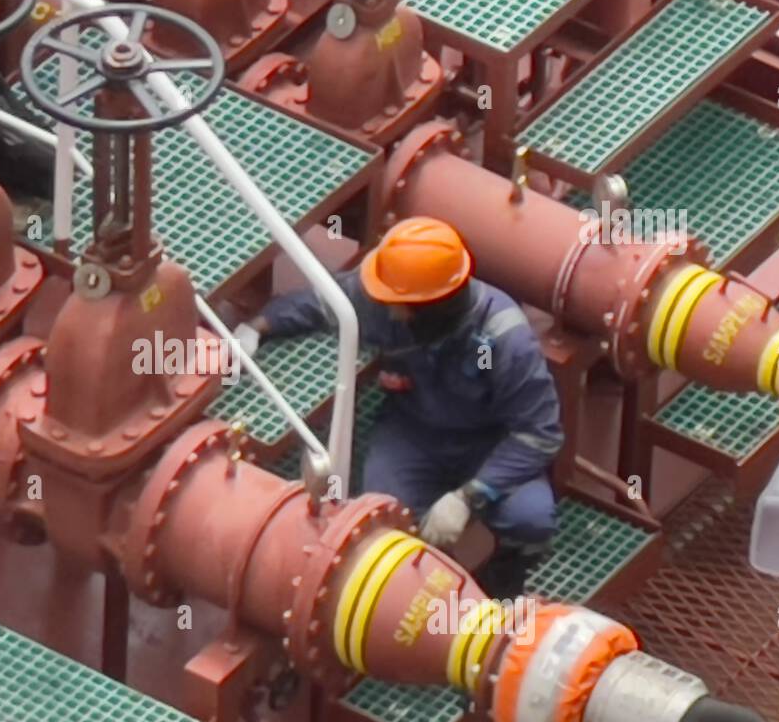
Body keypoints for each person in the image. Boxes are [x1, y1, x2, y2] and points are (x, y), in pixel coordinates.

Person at [241, 217, 564, 597]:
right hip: (413, 433)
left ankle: (500, 585)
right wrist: (257, 327)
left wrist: (468, 497)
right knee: (382, 525)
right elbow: (322, 304)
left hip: (487, 444)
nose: (392, 313)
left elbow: (538, 434)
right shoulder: (385, 299)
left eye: (402, 307)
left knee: (532, 520)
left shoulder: (501, 341)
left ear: (435, 307)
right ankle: (412, 601)